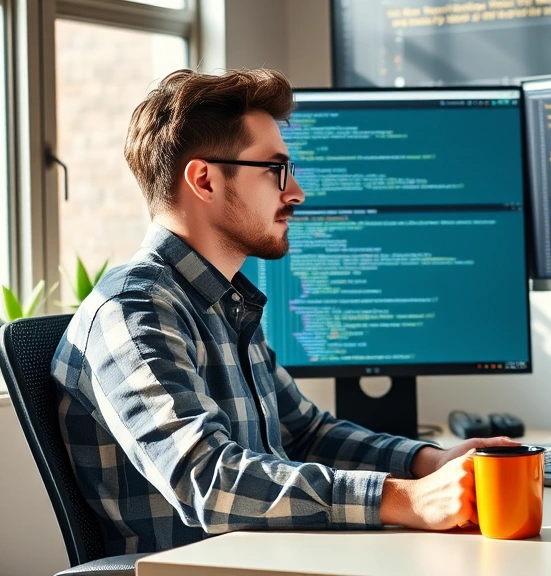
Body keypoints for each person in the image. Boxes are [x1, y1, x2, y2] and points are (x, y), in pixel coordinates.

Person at [51, 68, 516, 556]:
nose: (296, 193)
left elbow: (307, 433)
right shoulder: (133, 310)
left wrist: (430, 461)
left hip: (273, 559)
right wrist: (405, 500)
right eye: (277, 171)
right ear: (204, 179)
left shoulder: (225, 303)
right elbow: (208, 480)